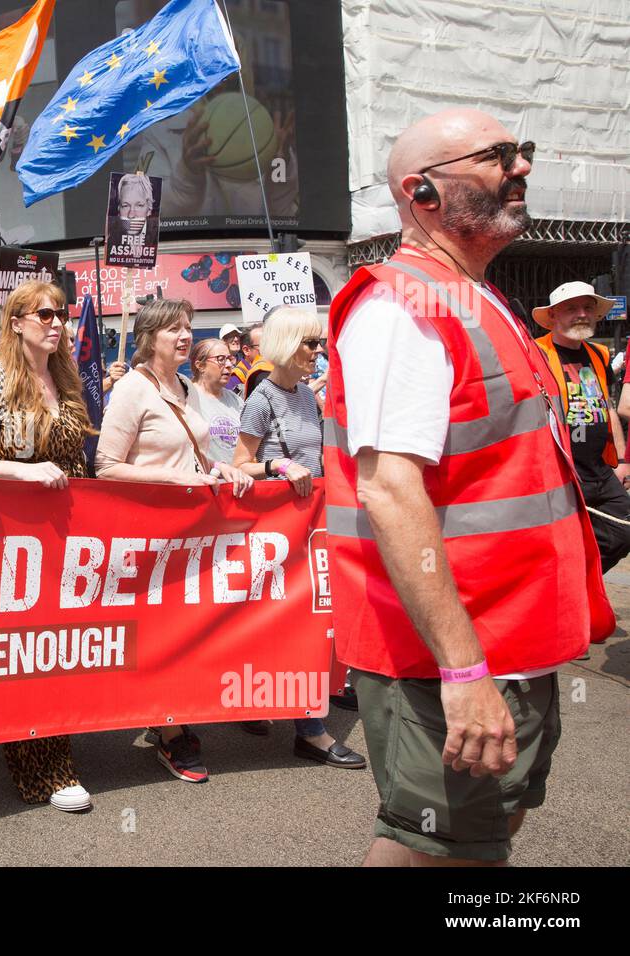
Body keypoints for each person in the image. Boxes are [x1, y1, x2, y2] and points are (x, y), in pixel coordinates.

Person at [325, 108, 613, 866]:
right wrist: (464, 671)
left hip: (511, 638)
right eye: (494, 157)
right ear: (422, 194)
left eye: (521, 152)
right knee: (438, 849)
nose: (519, 167)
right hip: (451, 651)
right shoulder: (402, 305)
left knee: (482, 830)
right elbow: (390, 493)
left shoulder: (477, 297)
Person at [0, 279, 97, 811]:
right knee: (28, 653)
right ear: (16, 323)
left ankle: (43, 740)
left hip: (64, 543)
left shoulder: (67, 381)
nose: (57, 322)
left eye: (62, 313)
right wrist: (26, 470)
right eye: (44, 314)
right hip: (13, 544)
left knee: (57, 652)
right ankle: (47, 770)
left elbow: (80, 467)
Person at [95, 300, 252, 782]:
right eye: (172, 329)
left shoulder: (185, 386)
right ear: (148, 336)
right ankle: (170, 733)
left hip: (191, 534)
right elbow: (105, 465)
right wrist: (174, 481)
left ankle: (164, 716)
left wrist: (219, 468)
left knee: (185, 632)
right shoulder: (131, 388)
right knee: (159, 634)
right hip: (149, 533)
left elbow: (197, 452)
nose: (184, 336)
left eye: (187, 327)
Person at [232, 305, 367, 770]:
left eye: (318, 343)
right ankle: (309, 730)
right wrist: (277, 466)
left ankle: (295, 718)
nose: (318, 352)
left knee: (310, 623)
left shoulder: (307, 397)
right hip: (277, 535)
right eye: (310, 343)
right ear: (288, 345)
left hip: (312, 528)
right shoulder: (260, 397)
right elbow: (239, 463)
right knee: (290, 626)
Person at [532, 282, 630, 571]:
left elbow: (607, 406)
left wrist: (622, 460)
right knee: (561, 539)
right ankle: (571, 594)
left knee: (623, 531)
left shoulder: (598, 353)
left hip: (599, 467)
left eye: (588, 308)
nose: (582, 314)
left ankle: (581, 584)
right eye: (571, 308)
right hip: (562, 469)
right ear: (553, 317)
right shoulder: (535, 354)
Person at [192, 336, 244, 464]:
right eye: (221, 359)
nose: (229, 365)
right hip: (207, 479)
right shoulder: (187, 398)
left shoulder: (236, 400)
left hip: (237, 480)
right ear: (200, 365)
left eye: (230, 359)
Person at [233, 321, 273, 397]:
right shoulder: (235, 378)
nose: (271, 348)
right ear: (246, 350)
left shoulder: (275, 368)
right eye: (265, 345)